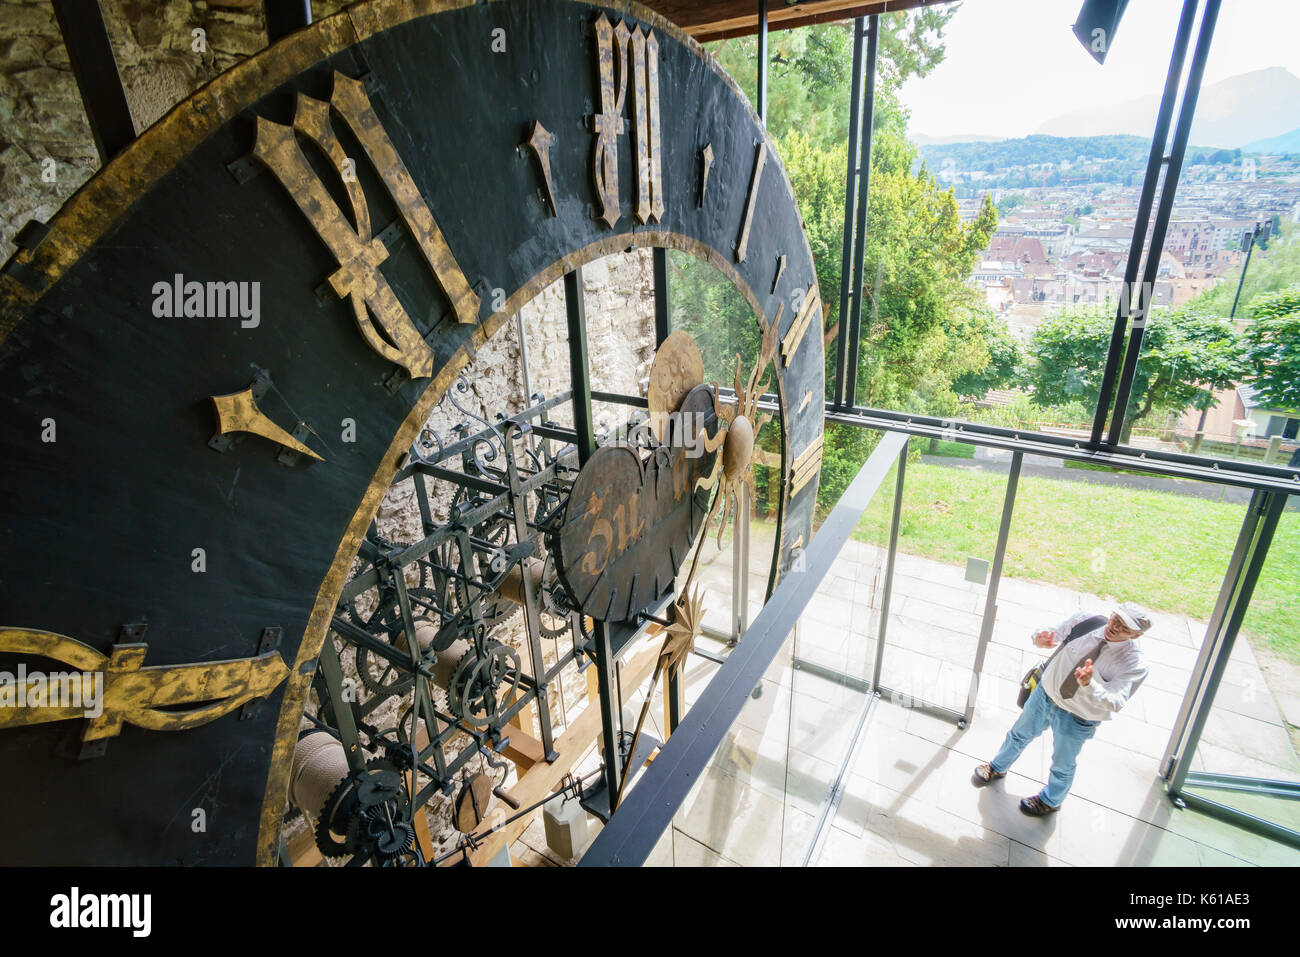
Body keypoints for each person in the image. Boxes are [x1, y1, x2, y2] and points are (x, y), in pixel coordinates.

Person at [971, 602, 1152, 816]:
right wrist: (1039, 638)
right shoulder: (1087, 620)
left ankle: (1051, 800)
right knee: (1018, 734)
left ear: (1136, 636)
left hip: (1078, 718)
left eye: (1124, 627)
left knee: (1062, 763)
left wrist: (1089, 684)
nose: (1115, 626)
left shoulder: (1134, 664)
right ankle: (997, 767)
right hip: (1045, 695)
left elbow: (1115, 702)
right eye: (1116, 618)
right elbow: (1053, 634)